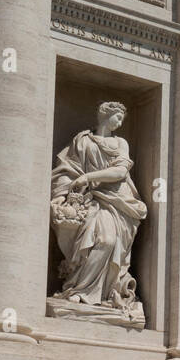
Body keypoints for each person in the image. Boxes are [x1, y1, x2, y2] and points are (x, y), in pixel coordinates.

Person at [49, 102, 148, 314]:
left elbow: (120, 172)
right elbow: (66, 169)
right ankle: (78, 289)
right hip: (89, 200)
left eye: (122, 119)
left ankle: (97, 292)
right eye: (117, 117)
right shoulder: (82, 140)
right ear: (104, 115)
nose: (120, 122)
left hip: (118, 200)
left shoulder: (120, 142)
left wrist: (88, 176)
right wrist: (60, 195)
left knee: (108, 240)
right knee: (93, 241)